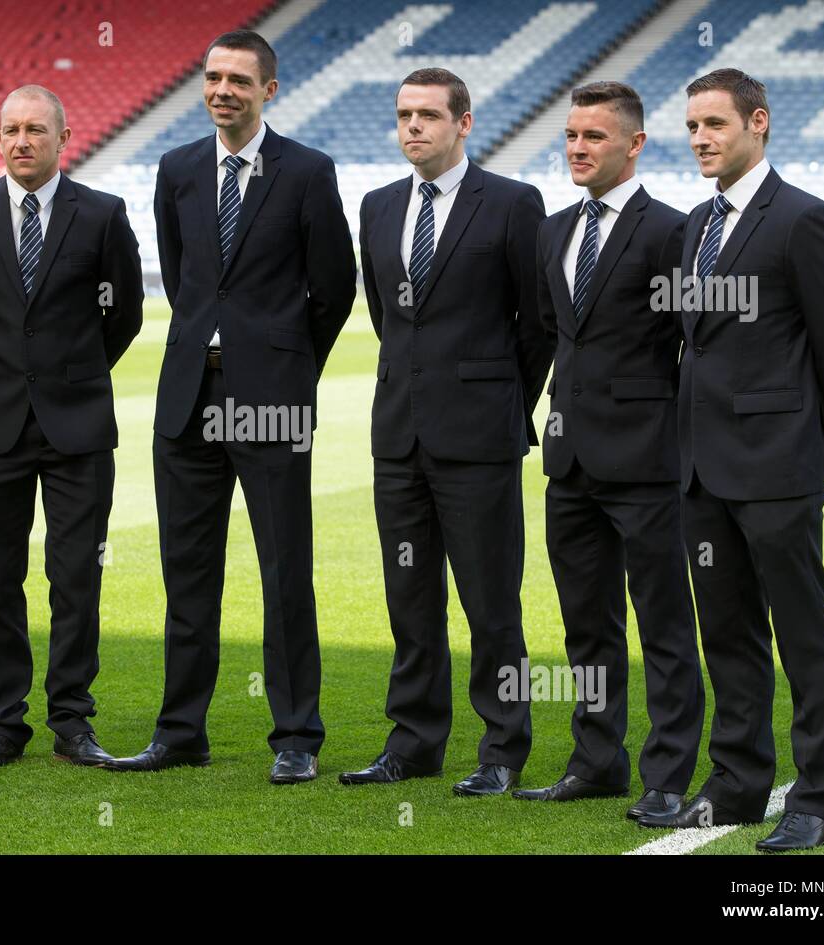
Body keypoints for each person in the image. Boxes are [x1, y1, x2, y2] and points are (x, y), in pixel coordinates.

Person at [109, 29, 356, 784]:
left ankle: (296, 736)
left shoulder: (309, 172)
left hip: (270, 401)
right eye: (213, 78)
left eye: (239, 81)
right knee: (187, 573)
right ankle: (181, 729)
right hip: (188, 397)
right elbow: (187, 280)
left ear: (268, 91)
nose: (222, 91)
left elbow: (334, 289)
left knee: (284, 569)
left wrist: (284, 364)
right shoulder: (178, 168)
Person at [636, 69, 824, 853]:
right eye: (692, 125)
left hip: (779, 465)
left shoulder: (805, 219)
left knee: (804, 635)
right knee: (728, 634)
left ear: (758, 123)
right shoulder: (697, 225)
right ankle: (736, 783)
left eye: (715, 124)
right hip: (701, 468)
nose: (700, 138)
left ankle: (817, 798)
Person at [342, 67, 551, 797]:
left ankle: (502, 747)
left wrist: (496, 400)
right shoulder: (375, 206)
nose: (413, 128)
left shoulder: (514, 204)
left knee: (492, 603)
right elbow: (388, 315)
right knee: (410, 599)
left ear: (465, 122)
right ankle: (414, 741)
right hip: (398, 435)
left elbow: (538, 321)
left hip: (480, 438)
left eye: (429, 115)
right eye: (403, 114)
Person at [513, 81, 703, 821]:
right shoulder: (553, 229)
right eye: (570, 136)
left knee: (663, 624)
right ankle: (596, 762)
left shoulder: (673, 231)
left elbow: (699, 347)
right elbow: (548, 334)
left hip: (651, 461)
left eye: (594, 137)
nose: (578, 149)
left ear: (634, 143)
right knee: (586, 625)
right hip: (569, 462)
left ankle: (666, 774)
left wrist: (692, 448)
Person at [0, 86, 143, 771]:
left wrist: (72, 371)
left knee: (74, 579)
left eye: (35, 129)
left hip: (78, 423)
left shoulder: (104, 214)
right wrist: (5, 370)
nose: (21, 140)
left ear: (64, 137)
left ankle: (71, 721)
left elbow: (125, 314)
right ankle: (2, 723)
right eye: (10, 130)